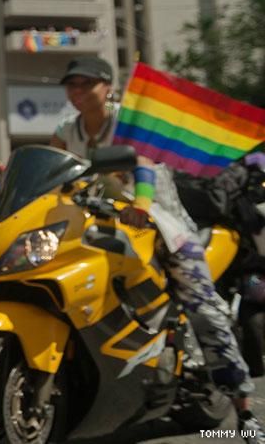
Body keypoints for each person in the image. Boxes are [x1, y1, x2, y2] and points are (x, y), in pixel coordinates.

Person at [50, 56, 262, 437]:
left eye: (87, 83)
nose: (78, 91)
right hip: (98, 227)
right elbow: (53, 171)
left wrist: (142, 204)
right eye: (72, 84)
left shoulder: (127, 123)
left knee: (204, 309)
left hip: (162, 225)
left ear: (108, 87)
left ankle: (244, 412)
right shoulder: (68, 130)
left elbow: (141, 166)